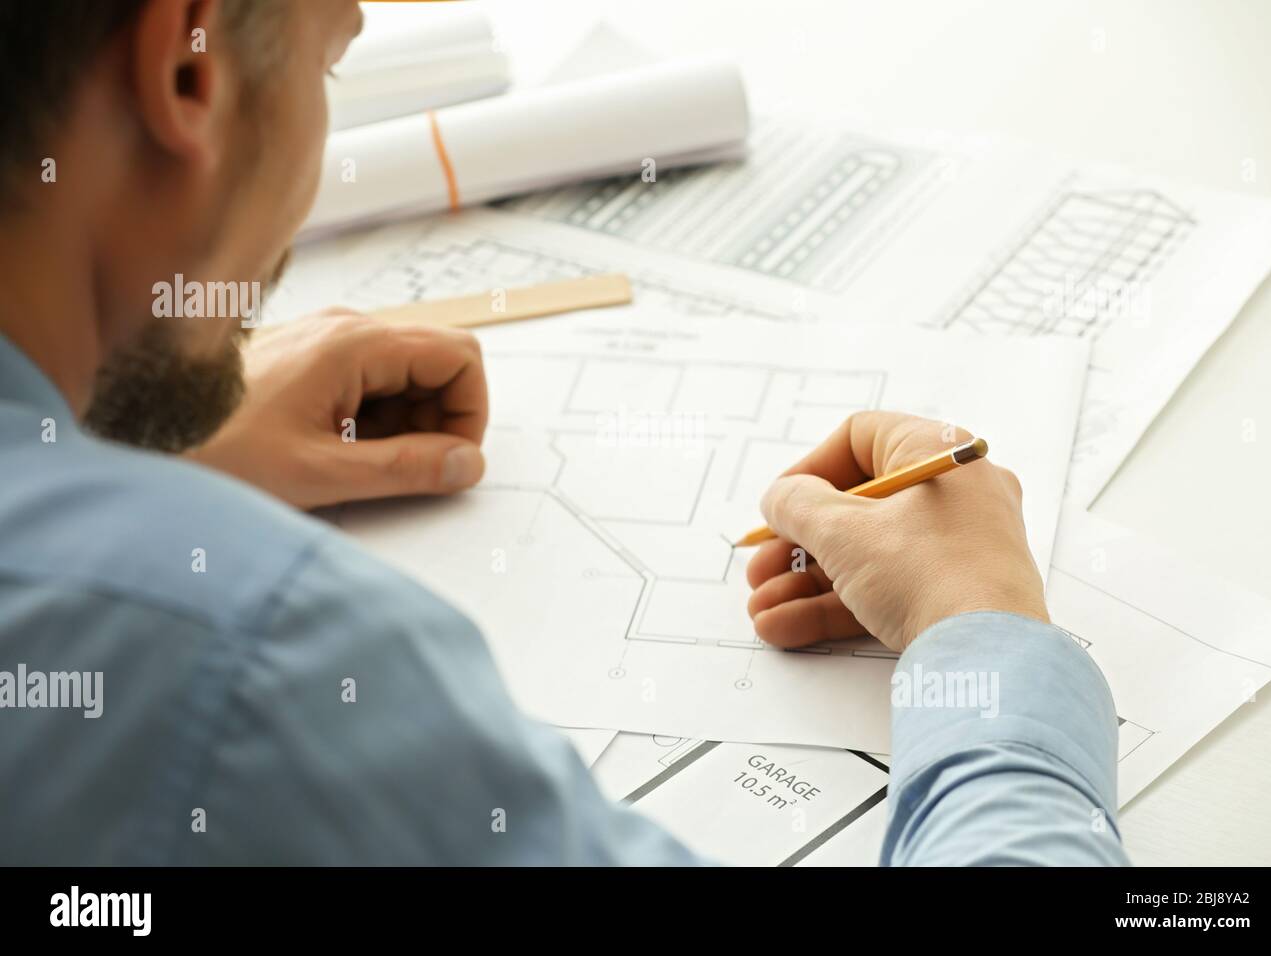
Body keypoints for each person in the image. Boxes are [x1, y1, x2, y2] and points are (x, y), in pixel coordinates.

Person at [0, 0, 1127, 866]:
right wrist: (980, 631)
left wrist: (112, 450)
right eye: (331, 55)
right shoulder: (259, 665)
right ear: (189, 67)